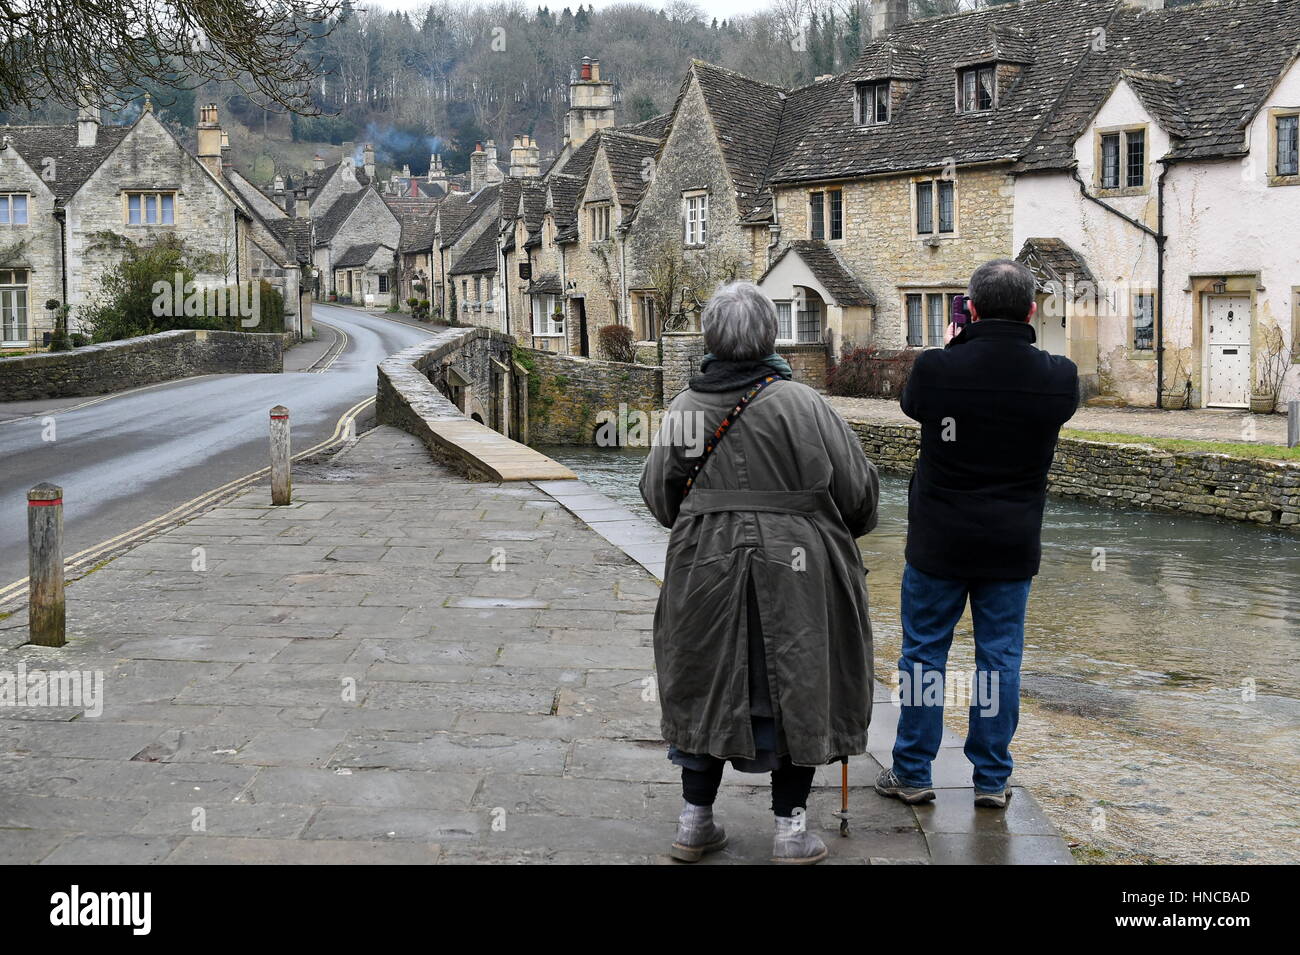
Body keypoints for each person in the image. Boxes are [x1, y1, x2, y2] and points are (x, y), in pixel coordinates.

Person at [640, 281, 879, 865]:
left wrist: (705, 515)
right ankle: (791, 834)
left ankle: (695, 824)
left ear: (711, 340)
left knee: (702, 679)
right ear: (769, 337)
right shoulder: (805, 404)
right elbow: (859, 497)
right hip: (797, 564)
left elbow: (657, 494)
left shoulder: (687, 408)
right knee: (795, 685)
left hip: (704, 562)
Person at [875, 259, 1078, 810]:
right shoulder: (1058, 378)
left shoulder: (938, 368)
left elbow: (915, 404)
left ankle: (913, 772)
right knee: (999, 660)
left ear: (971, 308)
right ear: (1033, 311)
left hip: (939, 542)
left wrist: (954, 346)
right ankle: (990, 779)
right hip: (1011, 547)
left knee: (922, 657)